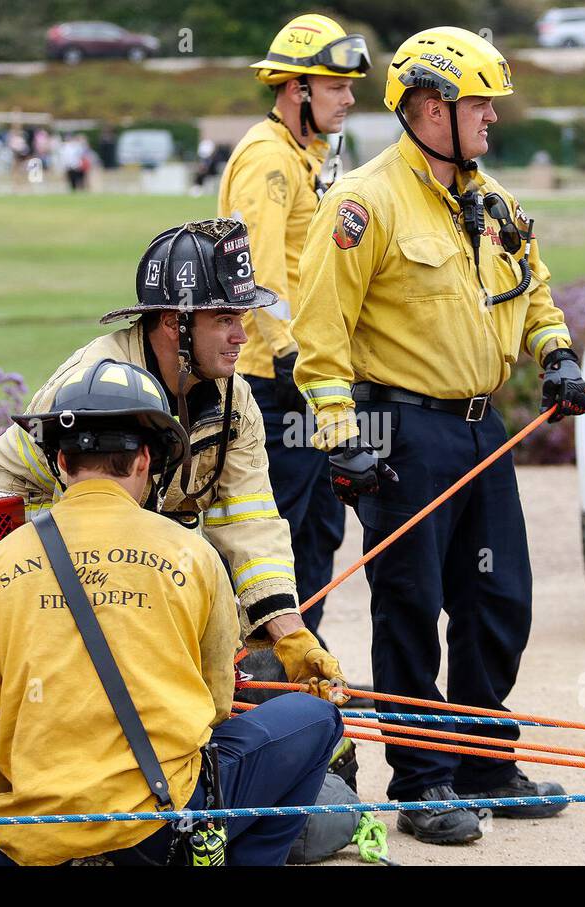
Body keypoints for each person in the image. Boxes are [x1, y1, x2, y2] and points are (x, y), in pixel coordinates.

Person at [290, 27, 585, 845]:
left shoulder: (493, 199)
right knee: (411, 607)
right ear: (429, 108)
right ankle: (423, 783)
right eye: (479, 102)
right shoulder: (363, 202)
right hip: (402, 434)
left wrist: (556, 354)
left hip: (479, 429)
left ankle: (487, 764)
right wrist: (343, 439)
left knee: (499, 600)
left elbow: (533, 290)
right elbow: (321, 334)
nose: (493, 116)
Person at [0, 359, 344, 865]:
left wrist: (47, 795)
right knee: (318, 719)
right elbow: (215, 704)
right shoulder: (191, 554)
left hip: (34, 832)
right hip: (158, 825)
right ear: (145, 460)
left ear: (59, 460)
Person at [0, 218, 347, 692]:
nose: (243, 336)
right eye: (224, 320)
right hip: (71, 576)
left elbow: (250, 520)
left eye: (240, 318)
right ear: (174, 322)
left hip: (151, 569)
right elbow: (11, 486)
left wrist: (291, 635)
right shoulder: (95, 391)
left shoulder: (235, 400)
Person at [218, 14, 367, 644]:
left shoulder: (301, 157)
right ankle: (259, 676)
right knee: (276, 531)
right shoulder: (269, 161)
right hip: (277, 385)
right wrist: (284, 353)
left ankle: (302, 664)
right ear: (297, 90)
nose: (350, 98)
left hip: (306, 382)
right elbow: (256, 264)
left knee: (317, 529)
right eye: (336, 87)